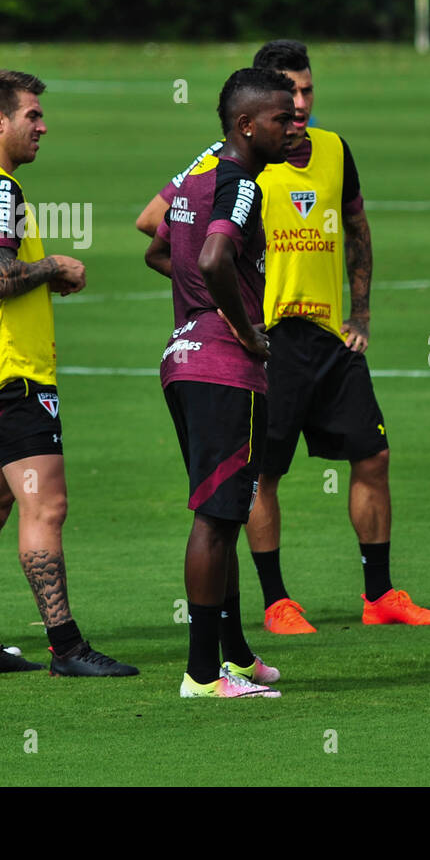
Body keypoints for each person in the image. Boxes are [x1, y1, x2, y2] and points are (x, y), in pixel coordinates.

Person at [138, 40, 430, 633]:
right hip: (262, 340)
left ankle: (378, 594)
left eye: (307, 90)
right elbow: (158, 226)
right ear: (256, 110)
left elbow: (356, 225)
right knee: (260, 475)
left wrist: (362, 314)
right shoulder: (230, 163)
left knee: (372, 454)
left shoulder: (333, 150)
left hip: (331, 336)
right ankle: (277, 600)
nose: (300, 105)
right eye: (288, 96)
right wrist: (225, 312)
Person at [0, 69, 138, 677]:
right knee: (44, 508)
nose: (42, 126)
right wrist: (52, 266)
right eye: (32, 116)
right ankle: (67, 647)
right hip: (13, 376)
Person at [145, 68, 296, 698]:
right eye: (282, 119)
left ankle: (233, 654)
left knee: (225, 512)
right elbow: (211, 258)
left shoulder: (194, 178)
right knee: (215, 517)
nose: (295, 125)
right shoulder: (239, 185)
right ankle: (202, 674)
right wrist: (243, 327)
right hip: (222, 367)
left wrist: (199, 309)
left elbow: (161, 251)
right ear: (246, 125)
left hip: (183, 359)